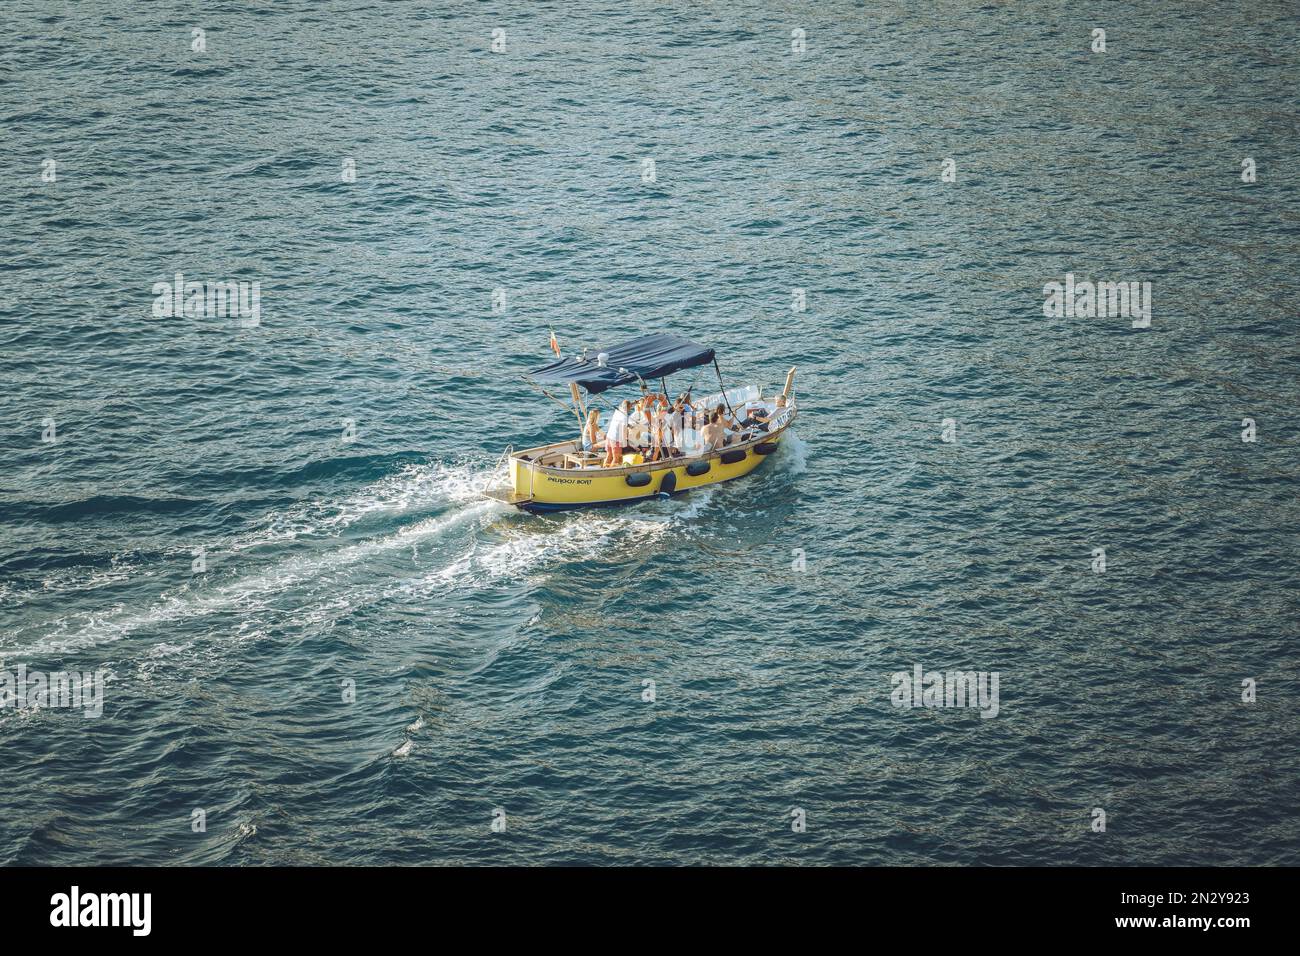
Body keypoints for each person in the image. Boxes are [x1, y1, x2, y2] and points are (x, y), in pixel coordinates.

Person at [604, 400, 629, 467]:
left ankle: (604, 469)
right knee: (616, 459)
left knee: (609, 456)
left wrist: (635, 402)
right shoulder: (625, 416)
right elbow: (624, 429)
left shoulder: (617, 411)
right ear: (629, 407)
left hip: (609, 437)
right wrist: (625, 440)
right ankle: (611, 472)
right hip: (616, 439)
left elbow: (626, 404)